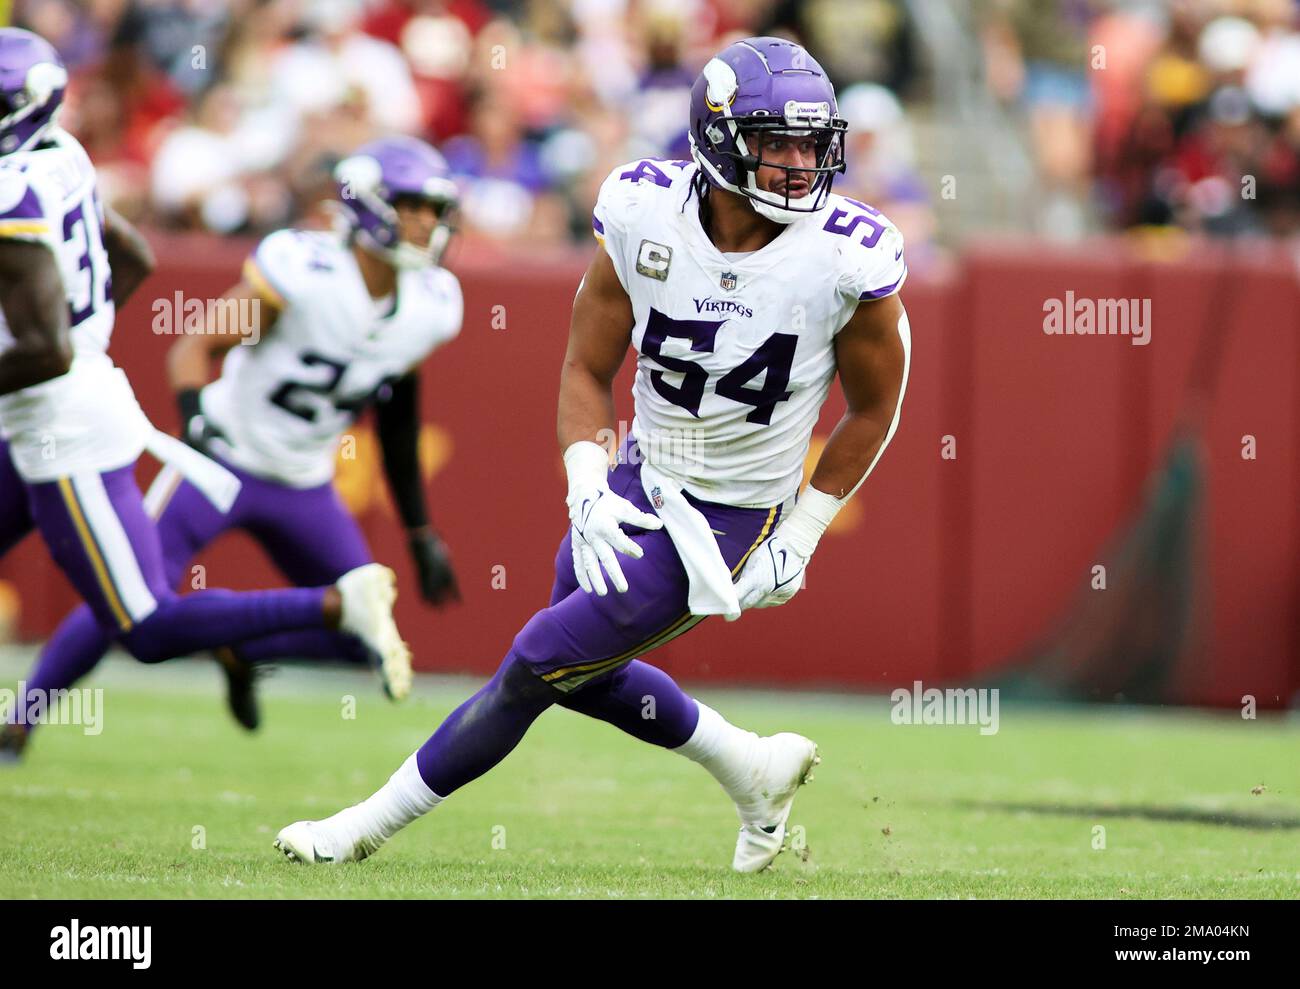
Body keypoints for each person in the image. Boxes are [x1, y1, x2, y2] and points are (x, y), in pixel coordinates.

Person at [274, 36, 911, 873]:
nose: (799, 165)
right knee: (583, 668)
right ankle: (752, 767)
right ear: (718, 139)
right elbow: (587, 362)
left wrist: (804, 527)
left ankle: (361, 827)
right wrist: (585, 477)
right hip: (641, 476)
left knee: (536, 663)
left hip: (732, 513)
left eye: (809, 143)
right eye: (775, 143)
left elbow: (875, 408)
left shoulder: (847, 254)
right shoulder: (645, 211)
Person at [0, 28, 409, 760]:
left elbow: (48, 344)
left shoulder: (427, 300)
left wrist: (78, 341)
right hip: (201, 439)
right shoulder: (64, 156)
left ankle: (325, 609)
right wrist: (94, 337)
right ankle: (22, 720)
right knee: (132, 603)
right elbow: (135, 261)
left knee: (147, 622)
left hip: (68, 420)